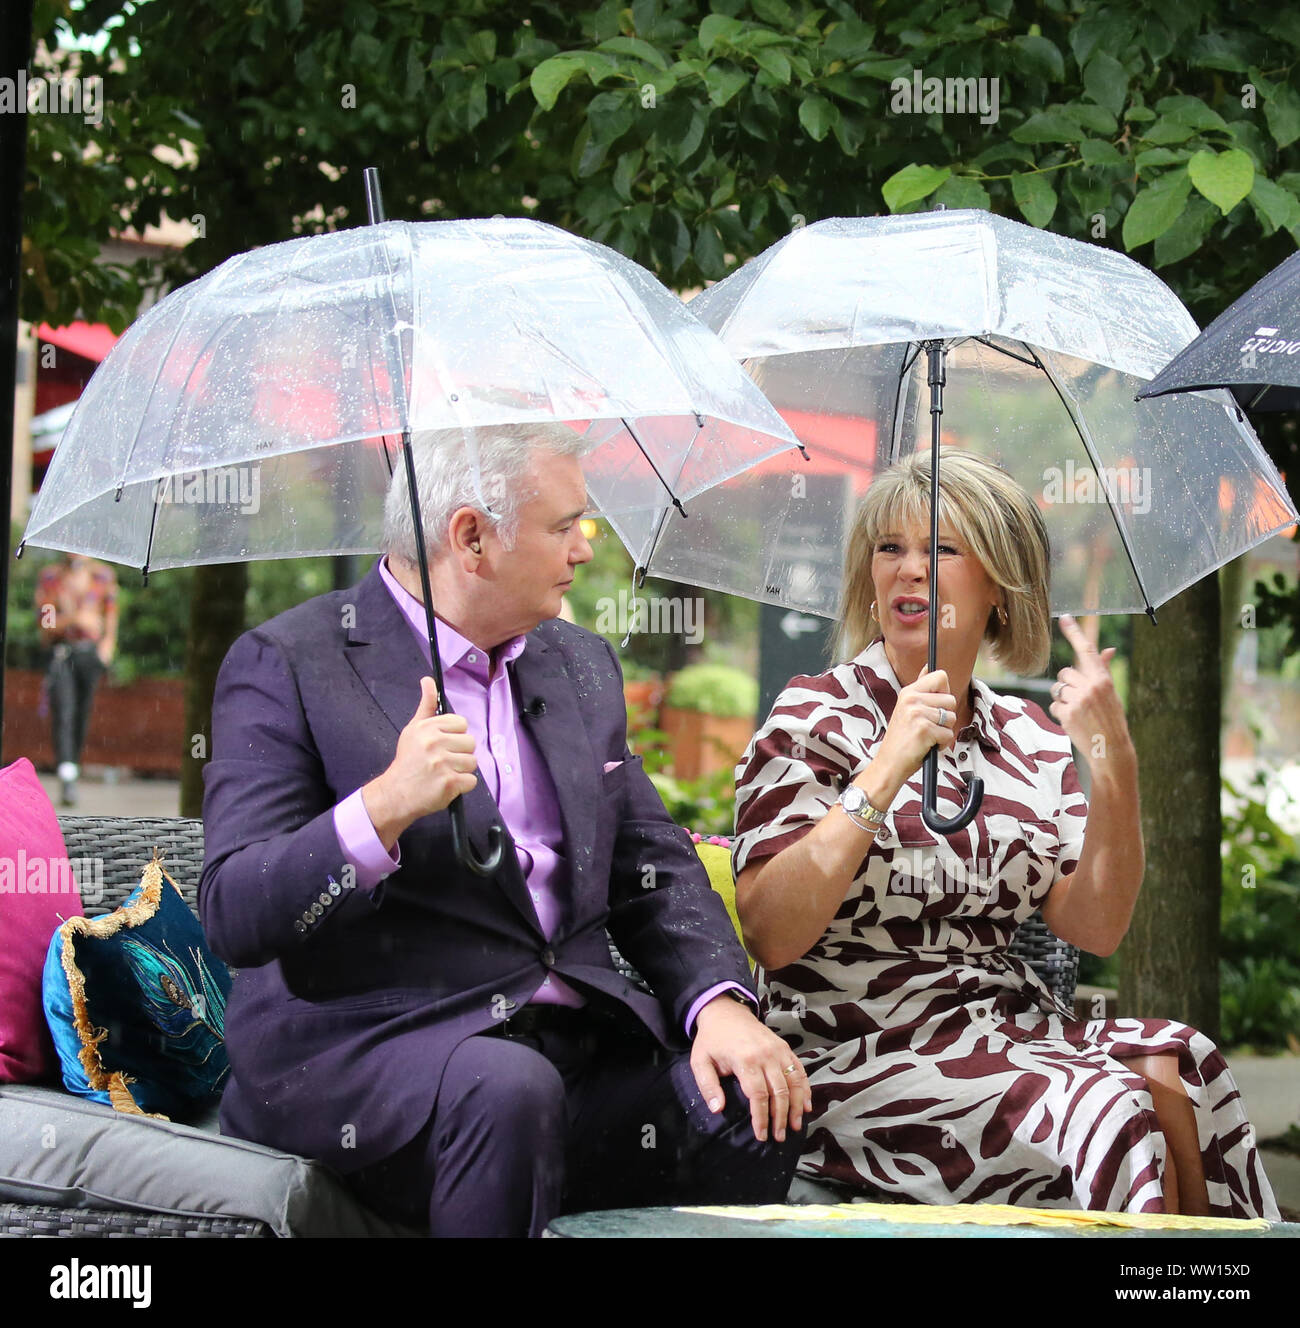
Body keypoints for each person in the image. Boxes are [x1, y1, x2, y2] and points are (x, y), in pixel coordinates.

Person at [199, 422, 808, 1238]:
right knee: (508, 1088)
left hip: (566, 1047)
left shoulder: (578, 664)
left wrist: (718, 1005)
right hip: (374, 1058)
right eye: (566, 526)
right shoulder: (289, 662)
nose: (586, 549)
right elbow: (237, 910)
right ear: (471, 538)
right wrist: (383, 807)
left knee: (752, 1097)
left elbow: (650, 862)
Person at [733, 449, 1278, 1219]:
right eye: (889, 549)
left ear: (998, 583)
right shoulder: (814, 716)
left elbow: (1095, 924)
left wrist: (1112, 760)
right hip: (857, 1055)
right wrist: (887, 766)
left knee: (1181, 1065)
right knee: (1110, 1111)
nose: (908, 571)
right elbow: (771, 933)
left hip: (1003, 1030)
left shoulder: (1027, 735)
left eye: (940, 549)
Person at [34, 553, 119, 806]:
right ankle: (67, 776)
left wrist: (107, 647)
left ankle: (74, 764)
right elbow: (46, 623)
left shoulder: (102, 576)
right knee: (64, 713)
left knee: (83, 715)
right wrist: (73, 619)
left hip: (89, 655)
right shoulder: (51, 578)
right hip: (61, 653)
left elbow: (111, 615)